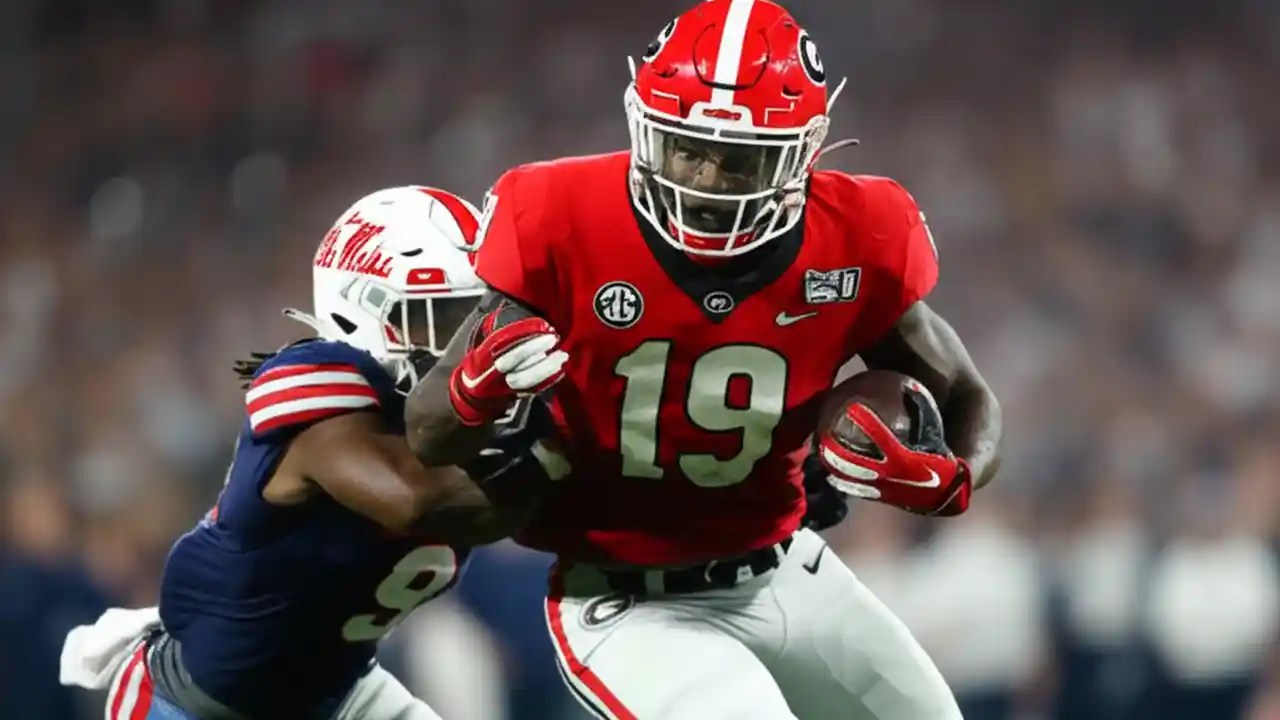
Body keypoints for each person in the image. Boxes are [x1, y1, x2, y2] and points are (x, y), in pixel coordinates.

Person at [404, 1, 1005, 718]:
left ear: (805, 151)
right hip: (624, 598)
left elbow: (967, 395)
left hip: (784, 571)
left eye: (741, 159)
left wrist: (950, 476)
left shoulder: (860, 234)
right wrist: (475, 390)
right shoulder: (556, 217)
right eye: (687, 148)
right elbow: (428, 427)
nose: (707, 182)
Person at [61, 186, 559, 720]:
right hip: (198, 704)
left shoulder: (457, 412)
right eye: (439, 319)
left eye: (475, 321)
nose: (464, 346)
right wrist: (552, 453)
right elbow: (414, 499)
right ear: (361, 311)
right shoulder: (313, 377)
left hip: (338, 693)